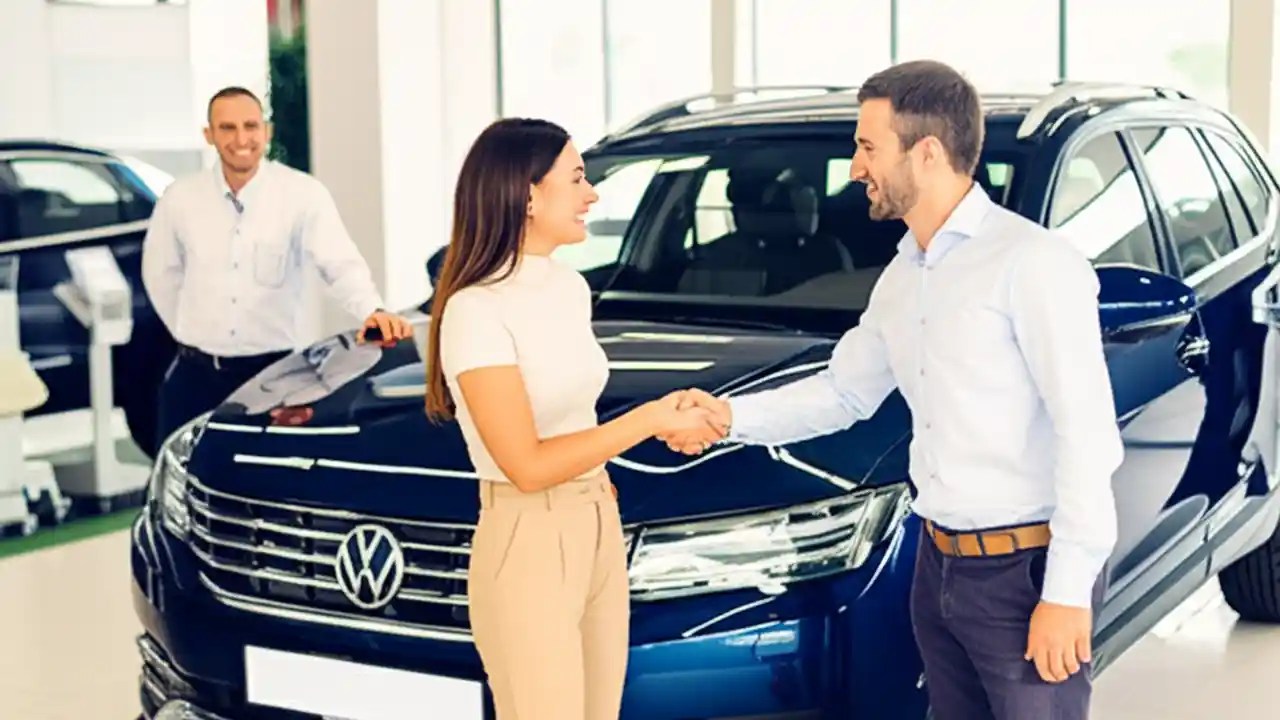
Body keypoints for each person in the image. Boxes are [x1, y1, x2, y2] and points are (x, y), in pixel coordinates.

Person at [664, 60, 1122, 720]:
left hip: (1025, 570)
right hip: (937, 565)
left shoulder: (1033, 262)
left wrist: (1068, 590)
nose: (856, 167)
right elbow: (842, 393)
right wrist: (725, 417)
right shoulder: (905, 275)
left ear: (928, 152)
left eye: (868, 146)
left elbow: (1087, 433)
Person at [424, 118, 718, 720]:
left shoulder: (567, 287)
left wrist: (598, 473)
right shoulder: (475, 312)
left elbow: (572, 417)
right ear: (528, 195)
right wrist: (648, 420)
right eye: (578, 178)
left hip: (596, 521)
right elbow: (527, 466)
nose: (592, 194)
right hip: (528, 538)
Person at [142, 86, 412, 447]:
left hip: (277, 377)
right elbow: (161, 274)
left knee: (266, 488)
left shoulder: (302, 194)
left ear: (266, 131)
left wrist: (372, 310)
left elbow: (338, 263)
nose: (241, 138)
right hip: (195, 377)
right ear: (209, 135)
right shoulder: (180, 198)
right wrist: (192, 331)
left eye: (251, 126)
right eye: (227, 128)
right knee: (179, 480)